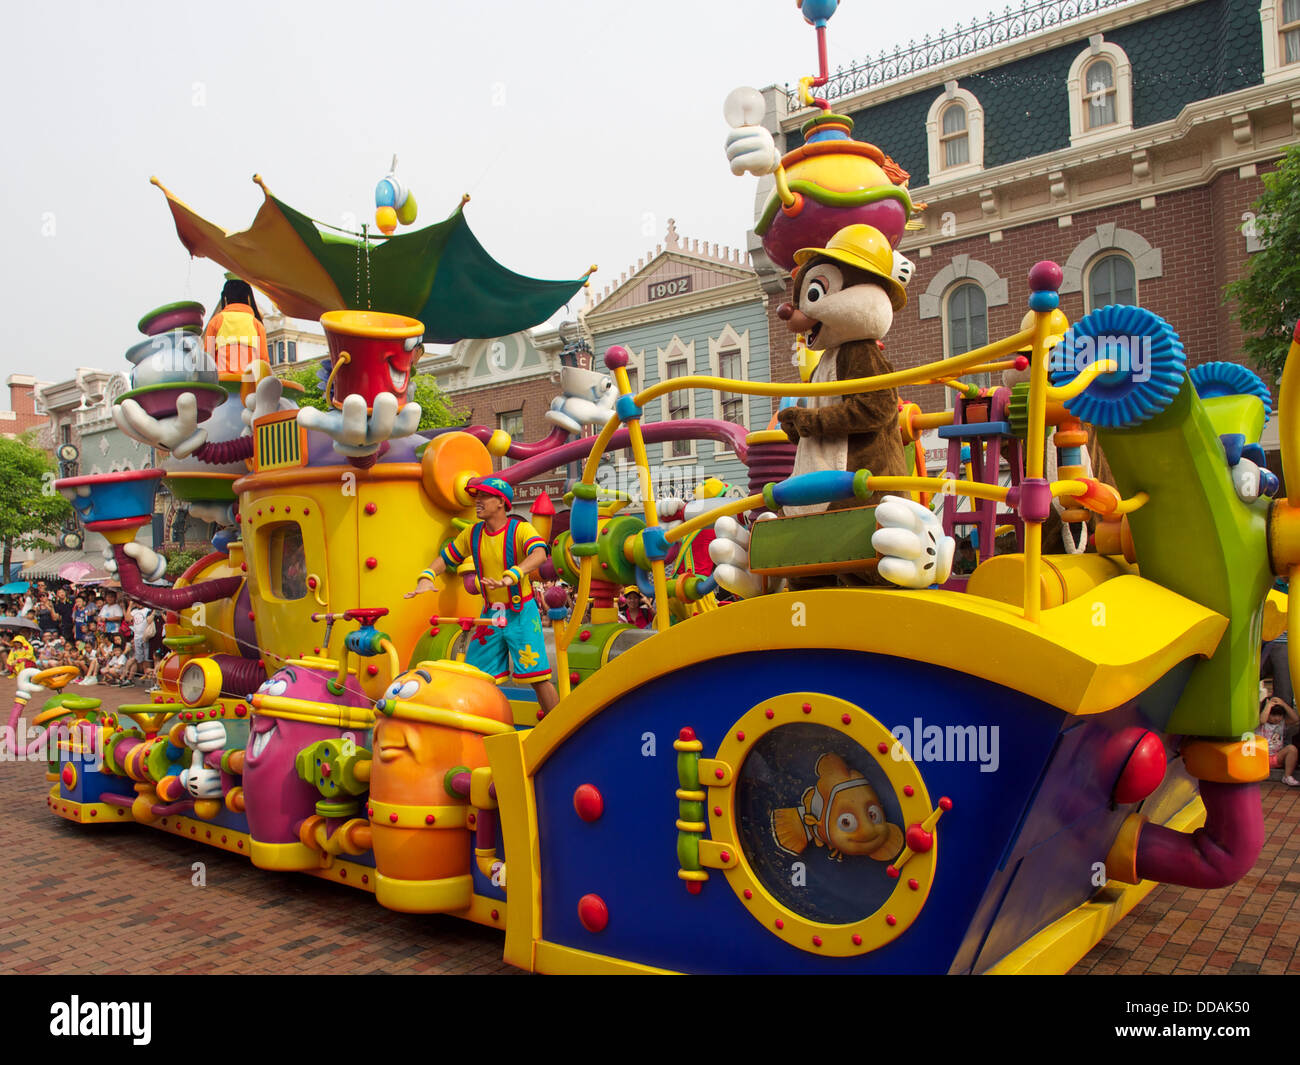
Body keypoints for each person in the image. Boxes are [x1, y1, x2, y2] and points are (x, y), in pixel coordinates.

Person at [405, 476, 559, 715]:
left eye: (484, 496)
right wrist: (426, 577)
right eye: (476, 496)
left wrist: (514, 574)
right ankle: (480, 728)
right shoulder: (471, 534)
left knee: (537, 676)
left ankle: (558, 728)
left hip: (521, 614)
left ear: (501, 502)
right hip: (490, 616)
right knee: (476, 676)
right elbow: (446, 559)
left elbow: (539, 553)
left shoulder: (520, 529)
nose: (478, 501)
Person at [203, 278, 268, 376]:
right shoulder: (257, 325)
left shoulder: (216, 322)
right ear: (248, 298)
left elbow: (208, 360)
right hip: (249, 385)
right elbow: (264, 362)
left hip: (223, 384)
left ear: (225, 298)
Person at [1259, 695, 1300, 786]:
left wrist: (1283, 704)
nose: (1277, 718)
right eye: (1273, 715)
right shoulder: (1261, 722)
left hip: (1276, 758)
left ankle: (1287, 777)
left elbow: (1296, 719)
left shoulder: (1282, 723)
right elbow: (1262, 720)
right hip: (1261, 759)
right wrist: (1268, 705)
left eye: (1279, 715)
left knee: (1292, 749)